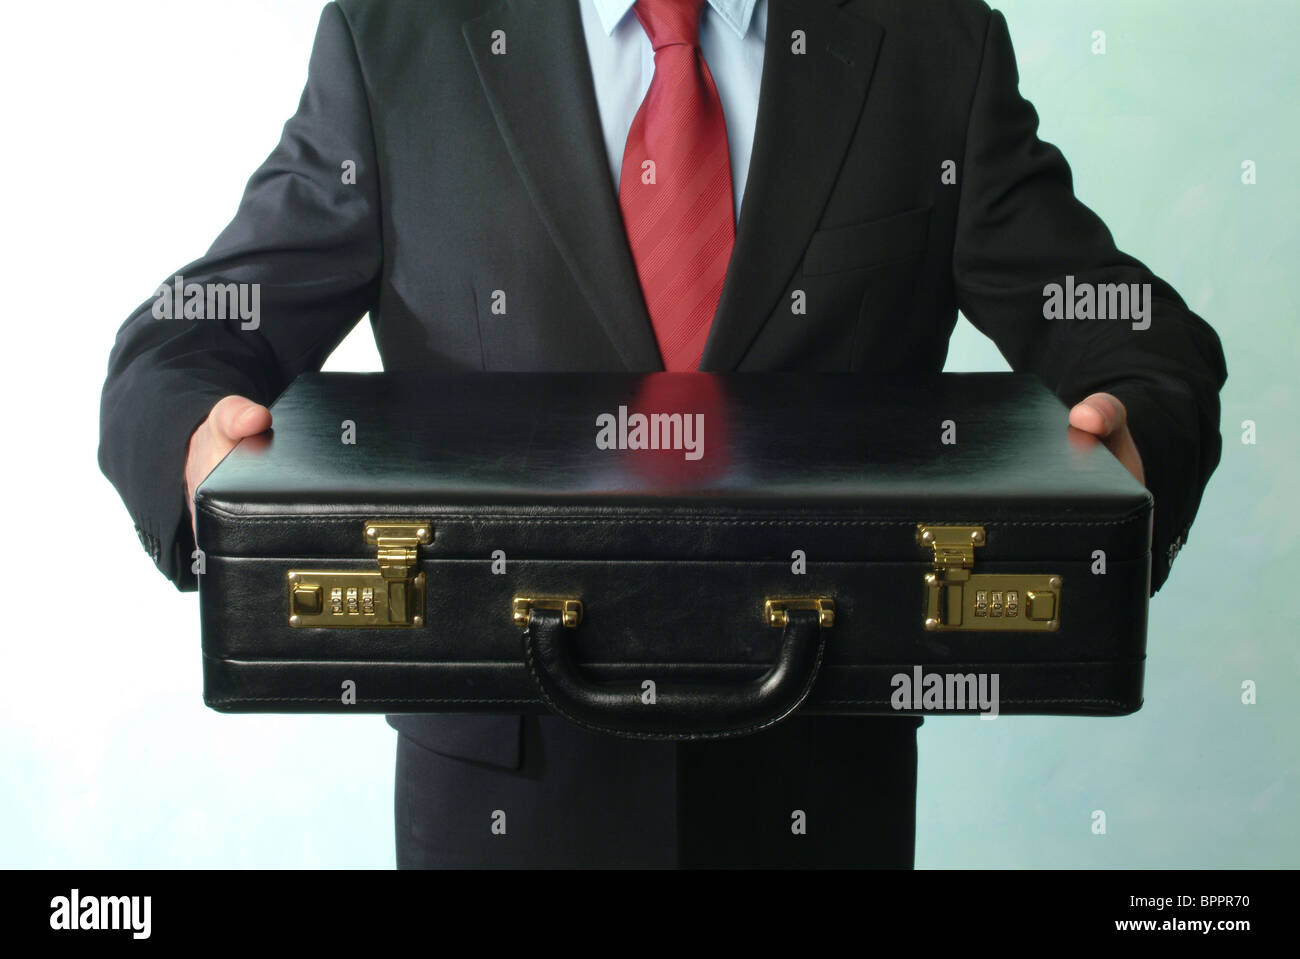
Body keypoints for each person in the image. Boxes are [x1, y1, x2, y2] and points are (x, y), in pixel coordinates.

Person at [98, 0, 1227, 868]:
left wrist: (1141, 440)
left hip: (822, 780)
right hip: (504, 791)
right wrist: (190, 441)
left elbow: (1136, 335)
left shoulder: (929, 42)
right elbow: (187, 341)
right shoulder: (399, 40)